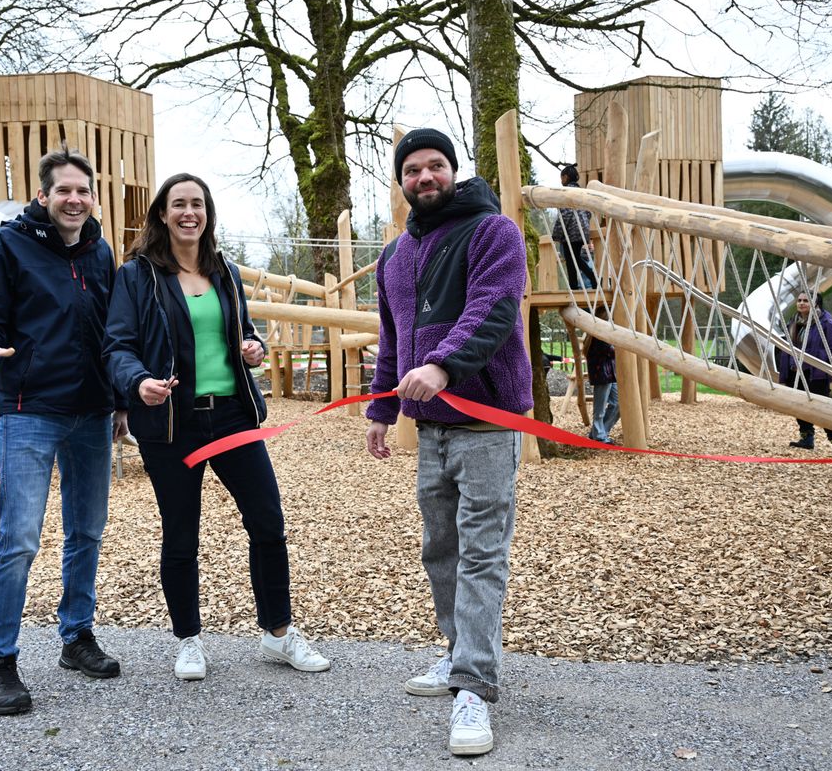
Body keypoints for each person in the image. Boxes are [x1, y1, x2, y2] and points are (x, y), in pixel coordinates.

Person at [104, 172, 329, 682]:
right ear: (162, 213)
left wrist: (254, 347)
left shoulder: (222, 270)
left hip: (231, 416)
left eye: (198, 205)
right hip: (173, 421)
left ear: (207, 214)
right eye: (179, 204)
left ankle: (278, 633)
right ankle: (188, 640)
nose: (189, 213)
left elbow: (245, 333)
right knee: (181, 535)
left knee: (268, 522)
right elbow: (116, 346)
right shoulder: (137, 275)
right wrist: (137, 381)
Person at [365, 128, 533, 757]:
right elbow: (391, 338)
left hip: (487, 422)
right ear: (403, 181)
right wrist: (382, 408)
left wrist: (440, 365)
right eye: (413, 169)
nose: (425, 177)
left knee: (482, 554)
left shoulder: (495, 232)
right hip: (429, 429)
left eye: (435, 165)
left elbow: (490, 312)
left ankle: (474, 687)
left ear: (454, 172)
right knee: (440, 548)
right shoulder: (394, 258)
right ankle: (456, 653)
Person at [0, 144, 129, 715]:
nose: (74, 199)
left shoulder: (101, 252)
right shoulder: (6, 245)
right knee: (19, 538)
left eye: (83, 190)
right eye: (64, 190)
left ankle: (76, 637)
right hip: (31, 409)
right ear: (43, 195)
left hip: (92, 411)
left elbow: (113, 331)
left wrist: (122, 397)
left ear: (92, 197)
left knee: (87, 532)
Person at [776, 291, 832, 455]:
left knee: (823, 407)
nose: (801, 303)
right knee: (799, 405)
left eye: (806, 301)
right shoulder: (794, 321)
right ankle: (806, 437)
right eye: (799, 300)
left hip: (815, 371)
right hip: (796, 370)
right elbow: (789, 345)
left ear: (816, 304)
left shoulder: (825, 322)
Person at [551, 164, 597, 290]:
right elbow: (588, 212)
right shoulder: (583, 192)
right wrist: (584, 225)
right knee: (575, 258)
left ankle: (575, 286)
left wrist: (556, 234)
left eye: (561, 178)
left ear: (566, 177)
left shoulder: (565, 192)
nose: (561, 181)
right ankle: (589, 280)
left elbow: (565, 215)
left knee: (571, 259)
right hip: (582, 231)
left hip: (571, 232)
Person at [583, 307, 620, 445]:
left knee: (618, 404)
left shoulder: (604, 335)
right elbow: (612, 352)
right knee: (599, 408)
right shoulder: (599, 337)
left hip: (610, 375)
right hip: (602, 375)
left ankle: (599, 432)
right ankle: (599, 436)